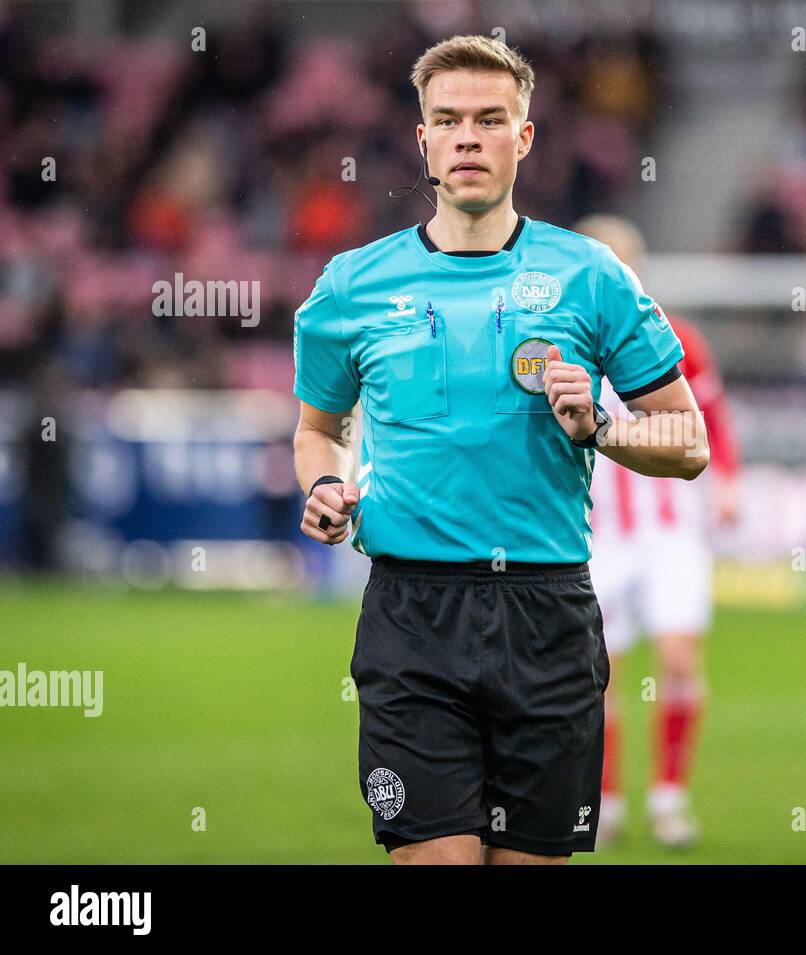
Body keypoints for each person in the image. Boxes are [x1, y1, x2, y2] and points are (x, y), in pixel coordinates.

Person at [291, 35, 709, 865]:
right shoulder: (351, 286)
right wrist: (327, 485)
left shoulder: (590, 274)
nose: (468, 137)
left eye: (490, 119)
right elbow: (318, 428)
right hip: (413, 617)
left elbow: (688, 440)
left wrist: (604, 428)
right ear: (423, 140)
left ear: (524, 136)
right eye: (447, 121)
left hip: (545, 612)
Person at [574, 215, 741, 849]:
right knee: (603, 670)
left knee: (677, 657)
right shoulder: (564, 344)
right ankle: (607, 798)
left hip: (673, 530)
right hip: (603, 534)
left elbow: (713, 419)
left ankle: (670, 797)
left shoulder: (673, 338)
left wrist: (726, 480)